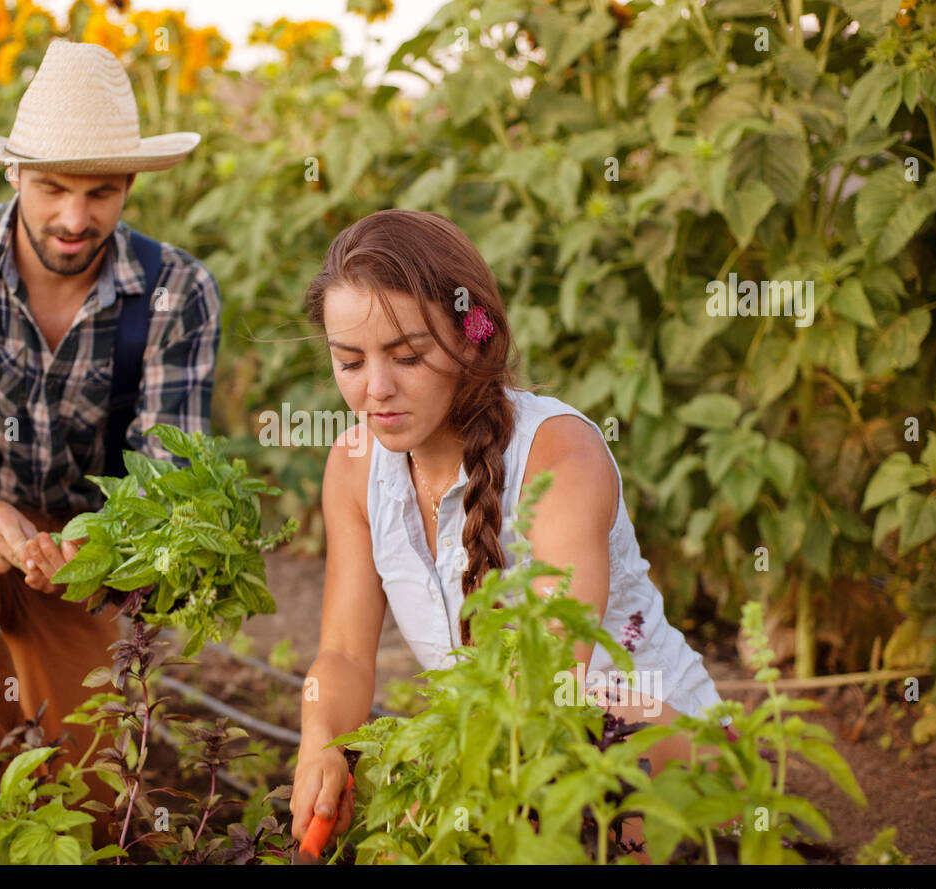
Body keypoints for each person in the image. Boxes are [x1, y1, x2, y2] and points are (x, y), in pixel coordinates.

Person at [290, 209, 729, 850]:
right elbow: (346, 655)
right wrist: (320, 743)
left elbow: (552, 675)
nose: (376, 390)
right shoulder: (354, 468)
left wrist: (437, 780)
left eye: (407, 356)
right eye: (350, 362)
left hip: (636, 741)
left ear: (472, 339)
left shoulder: (558, 453)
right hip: (505, 750)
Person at [0, 39, 220, 831]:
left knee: (95, 814)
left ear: (130, 186)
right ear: (14, 173)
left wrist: (102, 548)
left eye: (100, 192)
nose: (73, 217)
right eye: (53, 187)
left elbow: (169, 470)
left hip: (84, 552)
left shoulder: (177, 292)